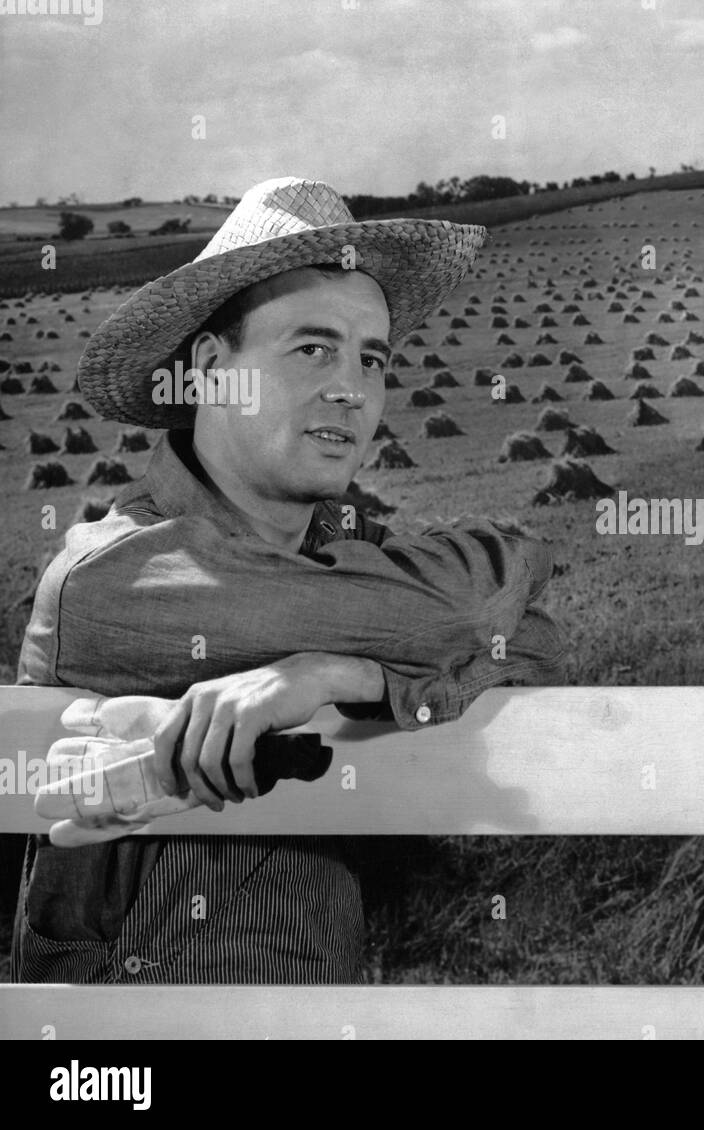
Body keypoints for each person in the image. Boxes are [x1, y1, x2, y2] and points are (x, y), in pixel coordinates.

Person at [13, 177, 567, 983]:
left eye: (370, 358)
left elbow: (542, 646)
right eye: (312, 348)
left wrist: (340, 673)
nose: (352, 387)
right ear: (211, 369)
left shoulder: (346, 547)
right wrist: (407, 660)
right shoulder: (115, 578)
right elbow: (490, 597)